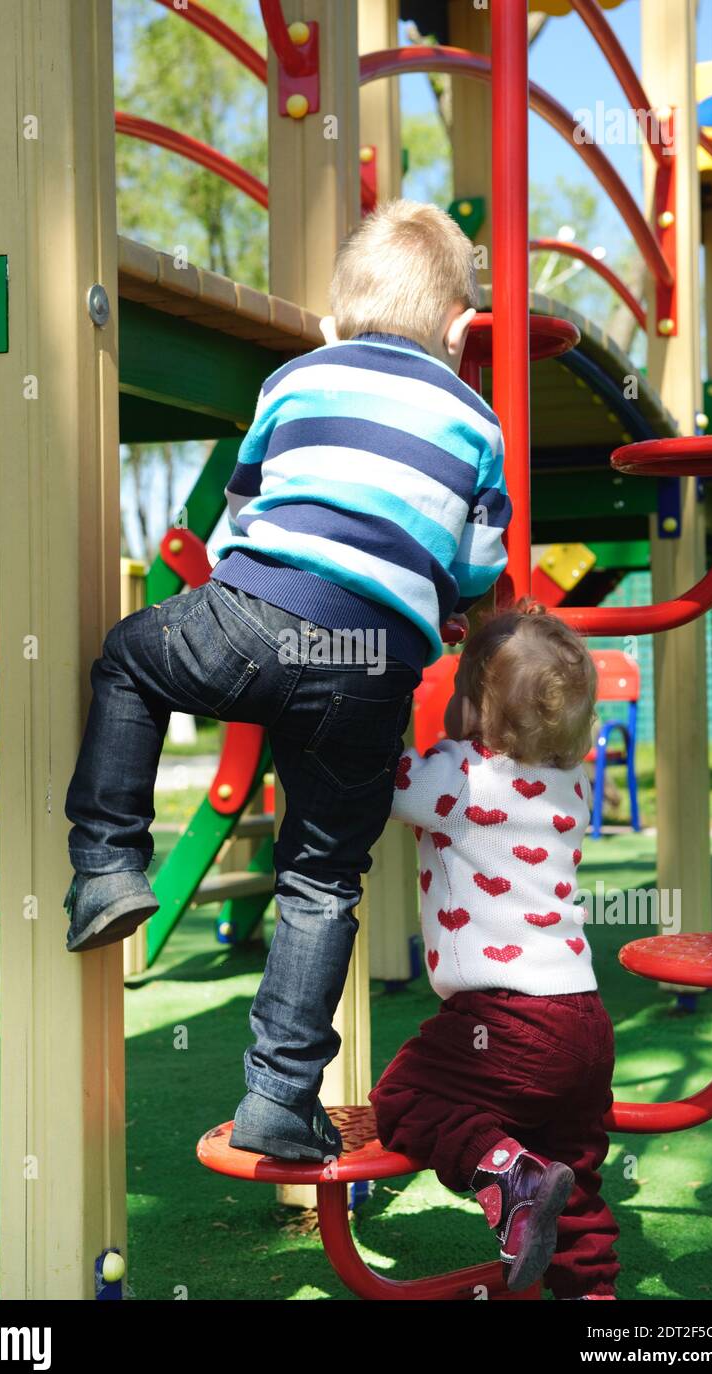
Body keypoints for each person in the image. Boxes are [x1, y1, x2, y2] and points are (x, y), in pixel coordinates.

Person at [62, 199, 509, 1163]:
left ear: (340, 312)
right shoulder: (477, 421)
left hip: (254, 621)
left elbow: (241, 509)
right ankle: (278, 1098)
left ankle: (105, 865)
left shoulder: (293, 378)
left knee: (130, 661)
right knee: (319, 878)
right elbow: (476, 566)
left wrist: (239, 580)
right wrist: (442, 601)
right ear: (458, 329)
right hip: (372, 666)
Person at [369, 602, 619, 1298]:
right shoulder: (569, 784)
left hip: (505, 1021)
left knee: (406, 1097)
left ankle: (508, 1177)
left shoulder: (457, 779)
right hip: (583, 1019)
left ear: (473, 708)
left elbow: (382, 782)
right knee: (576, 1174)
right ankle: (593, 1298)